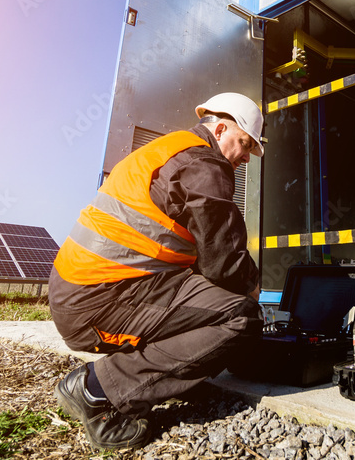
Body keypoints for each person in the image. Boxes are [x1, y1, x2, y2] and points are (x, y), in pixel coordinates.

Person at [49, 92, 264, 450]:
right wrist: (254, 295)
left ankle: (123, 380)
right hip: (100, 300)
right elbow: (223, 260)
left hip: (79, 290)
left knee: (215, 307)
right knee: (241, 318)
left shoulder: (170, 148)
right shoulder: (205, 164)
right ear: (222, 127)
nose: (244, 158)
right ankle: (99, 391)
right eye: (243, 145)